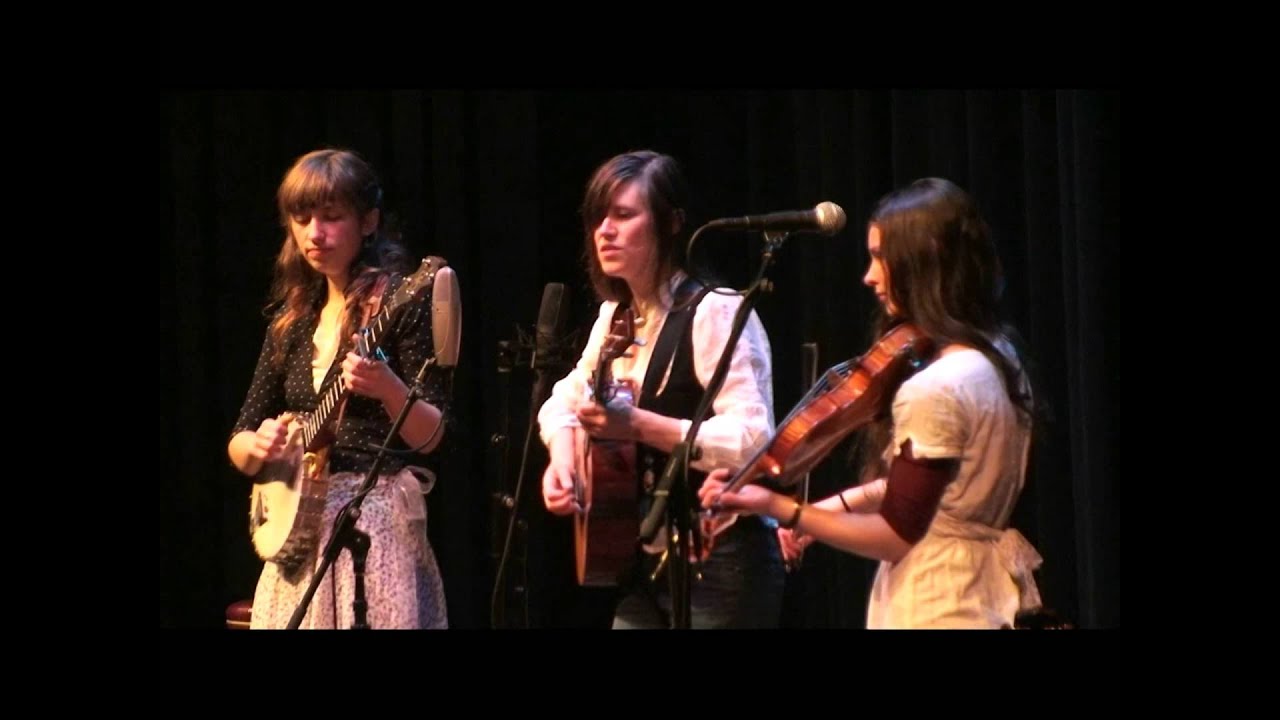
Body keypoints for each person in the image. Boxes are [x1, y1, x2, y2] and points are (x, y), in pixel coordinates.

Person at [699, 177, 1043, 629]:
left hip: (937, 602)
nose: (869, 275)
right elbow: (928, 494)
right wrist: (819, 516)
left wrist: (778, 506)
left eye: (880, 257)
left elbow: (896, 535)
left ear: (925, 259)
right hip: (984, 591)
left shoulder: (934, 387)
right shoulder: (999, 357)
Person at [538, 149, 784, 629]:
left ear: (670, 223)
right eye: (598, 218)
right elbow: (561, 404)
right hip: (643, 562)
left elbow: (754, 441)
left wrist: (641, 426)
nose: (604, 230)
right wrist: (564, 460)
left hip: (724, 563)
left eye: (624, 215)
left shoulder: (716, 312)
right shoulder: (616, 318)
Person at [227, 148, 449, 629]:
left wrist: (387, 387)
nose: (314, 233)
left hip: (373, 525)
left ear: (368, 222)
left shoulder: (400, 304)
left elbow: (432, 437)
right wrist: (259, 446)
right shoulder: (290, 323)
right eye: (302, 219)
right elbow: (240, 440)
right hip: (296, 539)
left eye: (331, 217)